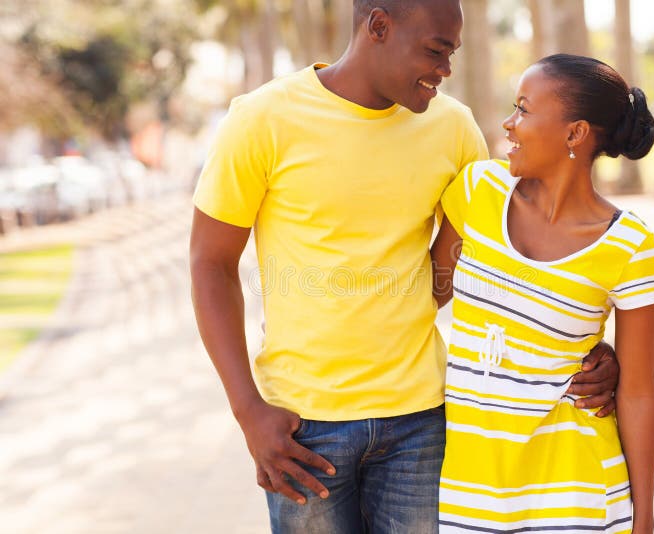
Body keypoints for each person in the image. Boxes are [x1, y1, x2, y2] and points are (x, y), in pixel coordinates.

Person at [189, 2, 620, 532]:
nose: (446, 69)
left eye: (452, 53)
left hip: (423, 422)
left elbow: (509, 264)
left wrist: (586, 348)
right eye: (436, 50)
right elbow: (210, 264)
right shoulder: (263, 118)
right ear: (378, 26)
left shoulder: (454, 129)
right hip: (303, 429)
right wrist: (247, 410)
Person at [431, 54, 654, 534]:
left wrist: (645, 521)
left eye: (524, 109)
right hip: (470, 493)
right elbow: (426, 292)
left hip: (579, 496)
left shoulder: (629, 245)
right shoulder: (478, 191)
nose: (508, 123)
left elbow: (639, 393)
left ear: (575, 133)